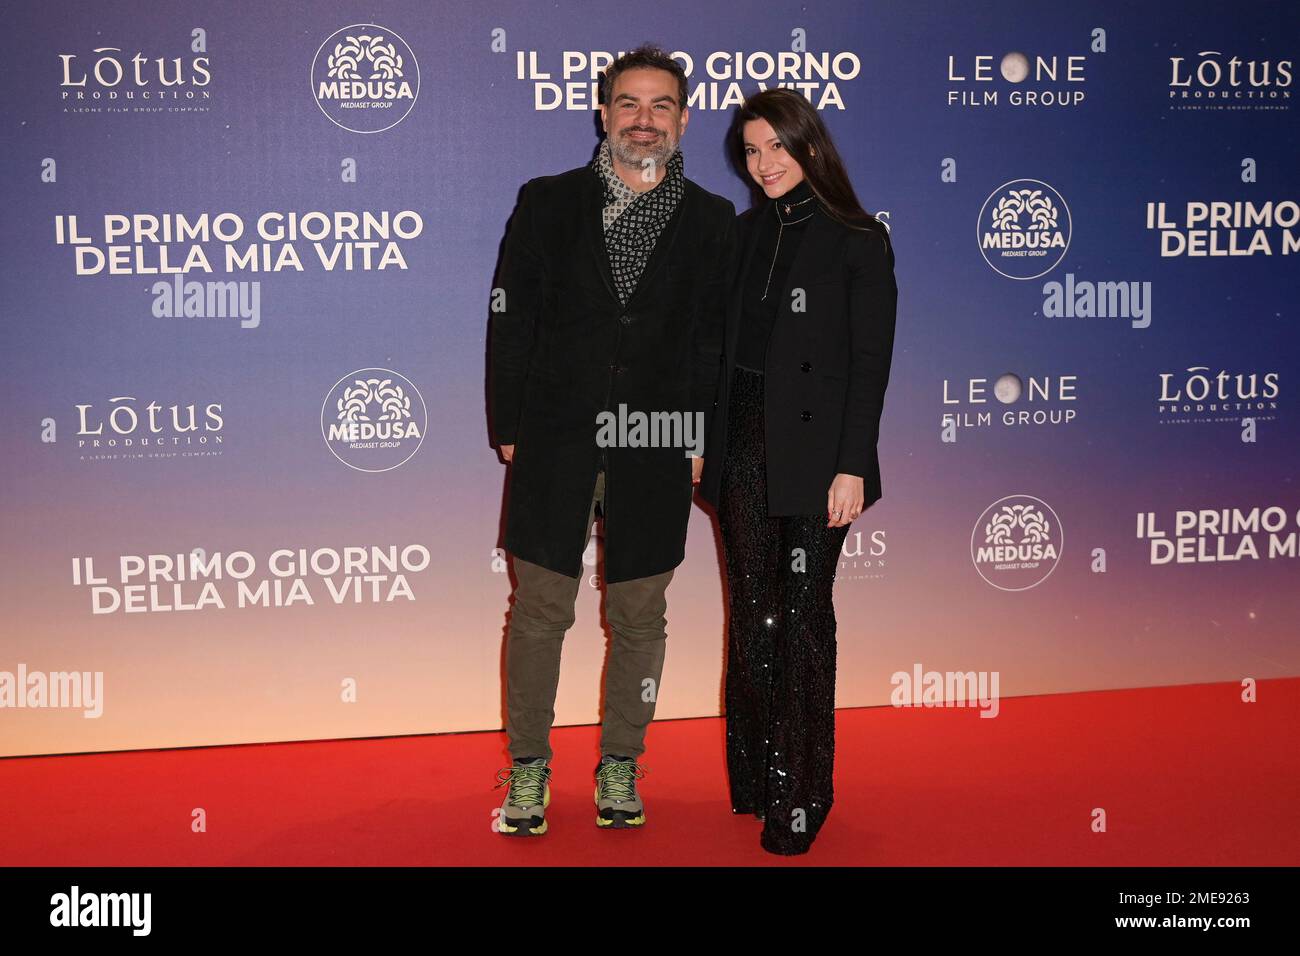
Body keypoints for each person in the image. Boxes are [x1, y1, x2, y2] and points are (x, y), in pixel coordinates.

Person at [489, 45, 737, 836]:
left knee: (640, 615)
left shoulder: (710, 218)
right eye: (628, 104)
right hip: (554, 434)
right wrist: (508, 426)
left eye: (660, 105)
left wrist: (699, 430)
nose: (643, 120)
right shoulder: (547, 201)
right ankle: (528, 771)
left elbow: (713, 341)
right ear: (603, 113)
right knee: (539, 613)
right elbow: (511, 319)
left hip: (657, 441)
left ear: (683, 119)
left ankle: (622, 763)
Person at [699, 88, 898, 855]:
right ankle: (755, 778)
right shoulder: (744, 235)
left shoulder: (858, 239)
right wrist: (704, 445)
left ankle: (802, 794)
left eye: (777, 147)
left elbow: (868, 367)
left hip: (818, 456)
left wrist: (852, 466)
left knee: (805, 620)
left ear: (809, 146)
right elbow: (721, 354)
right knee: (754, 613)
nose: (764, 164)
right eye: (751, 151)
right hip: (742, 439)